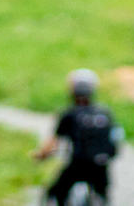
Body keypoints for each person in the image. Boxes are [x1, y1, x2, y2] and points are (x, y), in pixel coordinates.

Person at [33, 69, 122, 203]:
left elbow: (53, 143)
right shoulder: (105, 113)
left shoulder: (70, 114)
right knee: (102, 197)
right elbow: (116, 138)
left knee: (55, 193)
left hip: (77, 165)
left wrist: (41, 156)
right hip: (101, 166)